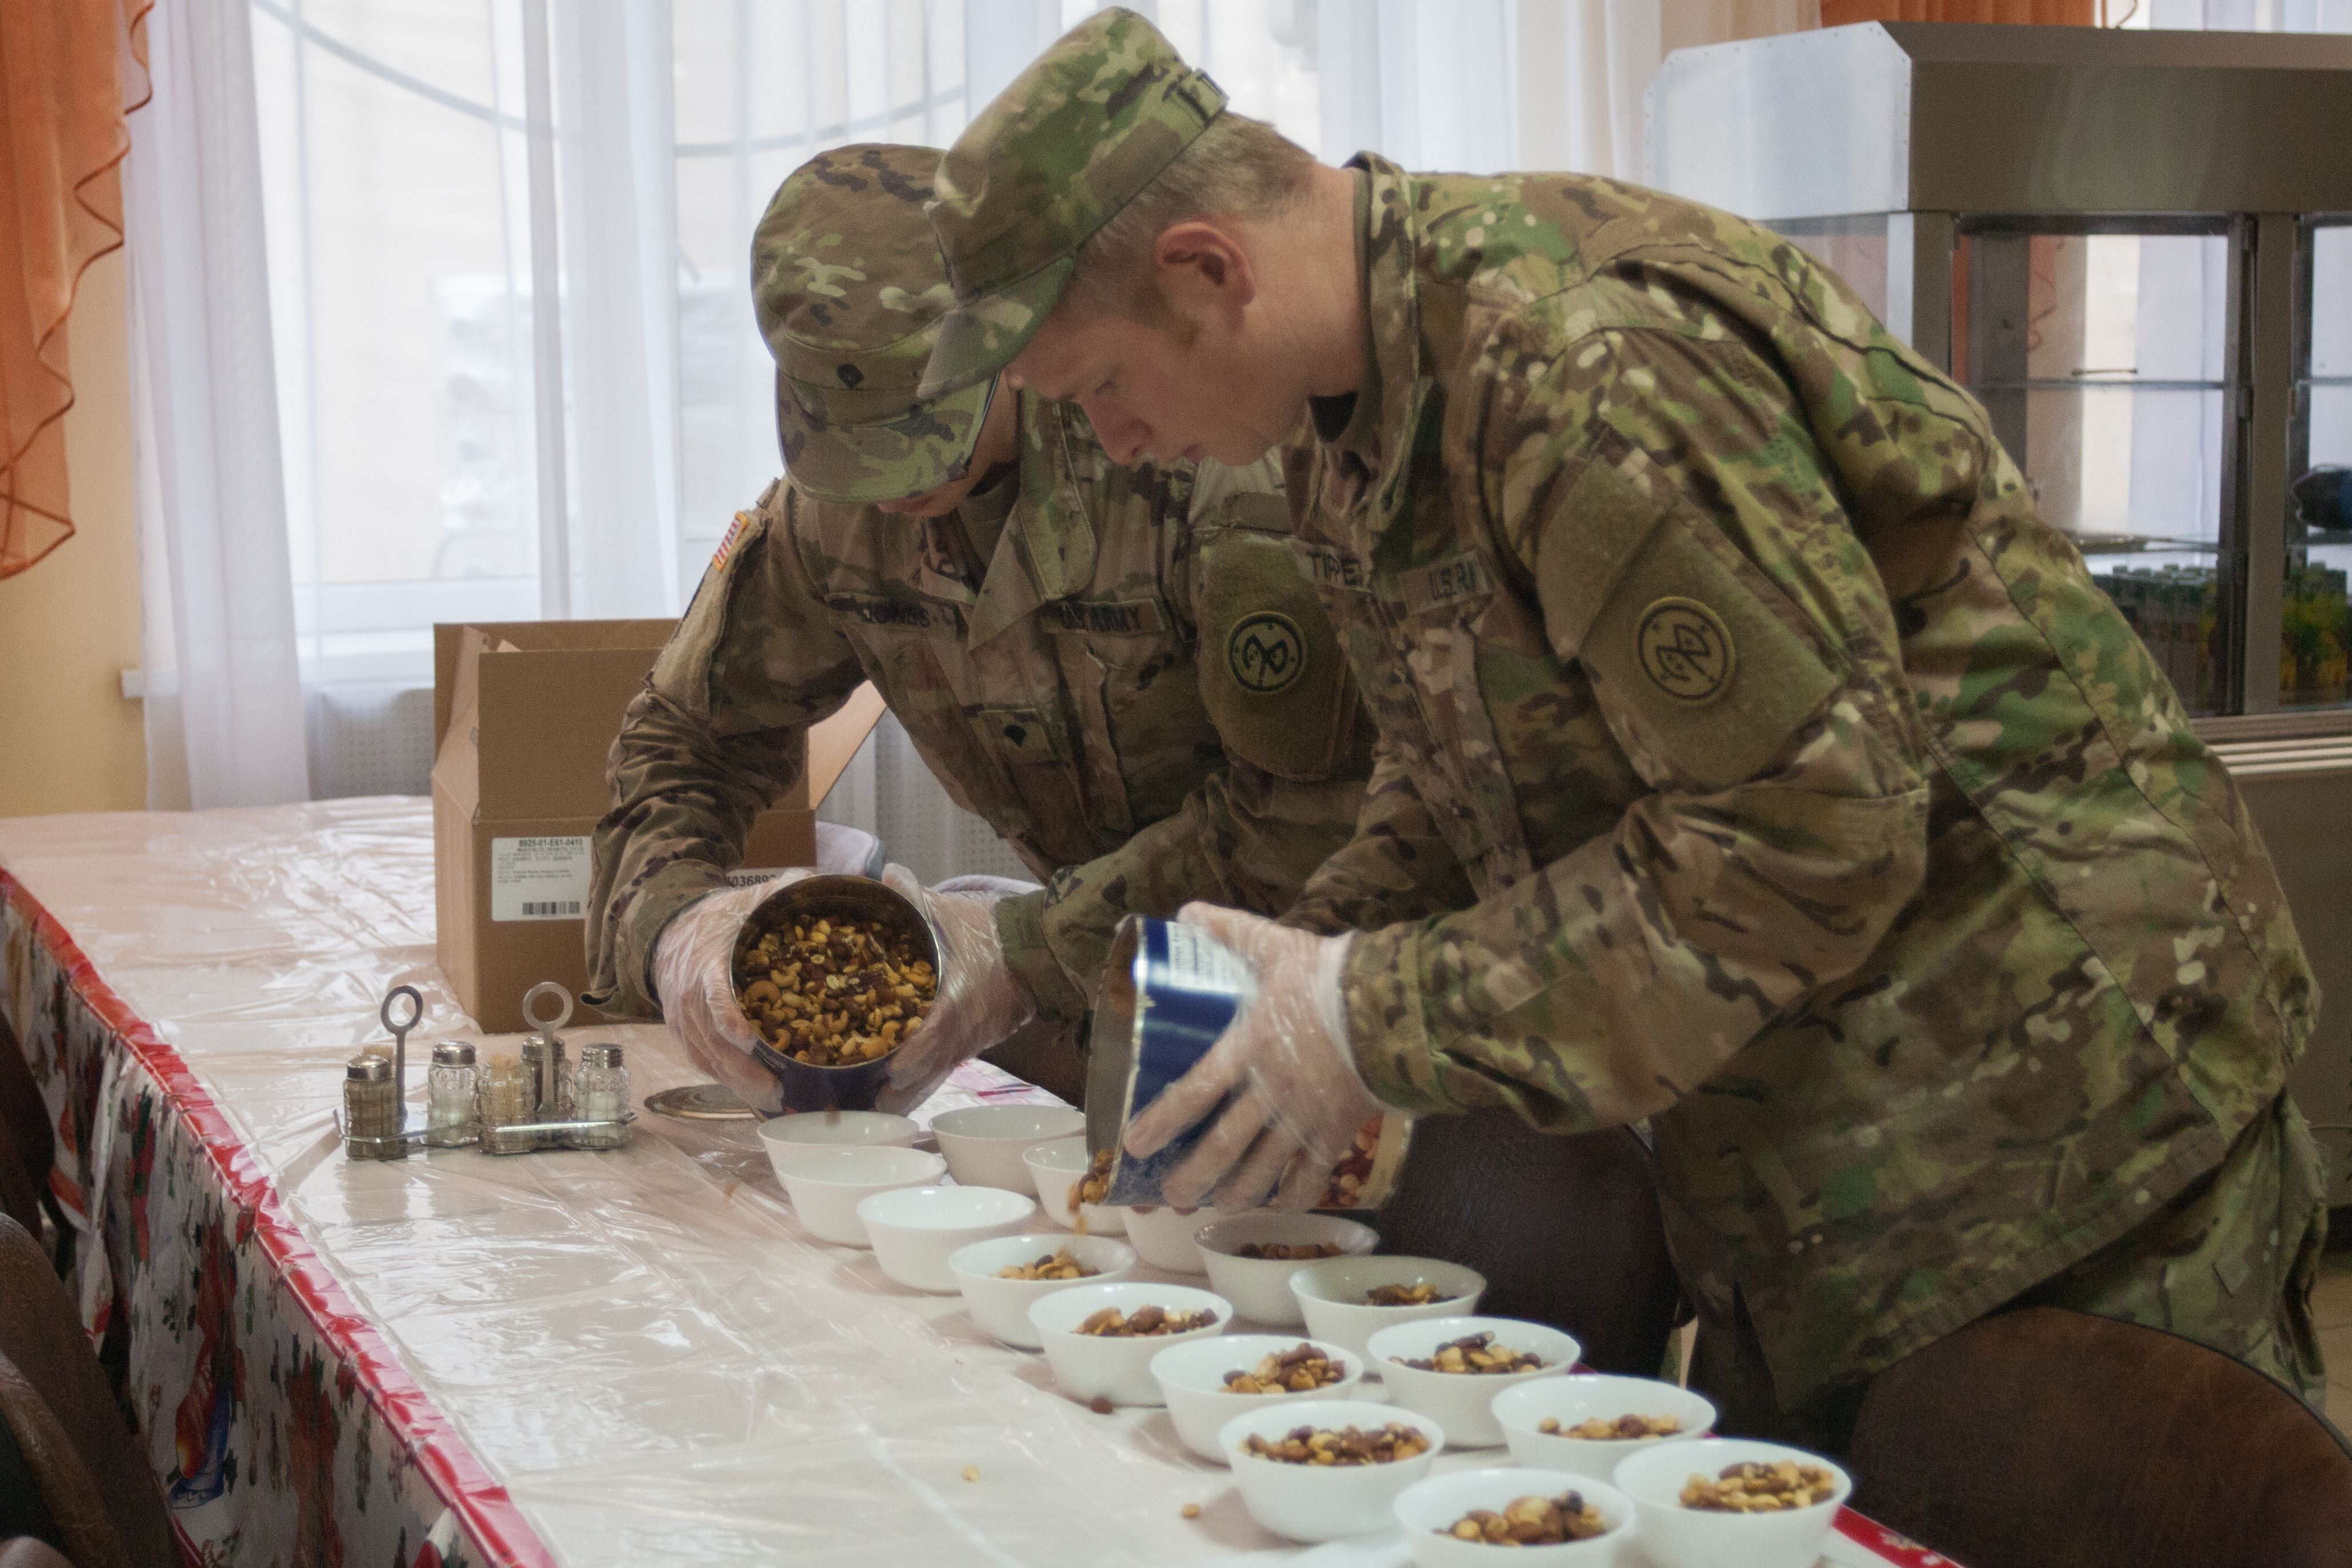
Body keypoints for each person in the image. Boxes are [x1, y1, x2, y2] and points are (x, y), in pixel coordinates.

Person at [915, 9, 2329, 1449]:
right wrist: (1295, 988)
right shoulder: (1348, 420)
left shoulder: (1585, 371)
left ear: (1206, 269)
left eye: (1098, 387)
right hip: (1815, 1135)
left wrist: (1361, 1016)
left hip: (2064, 1111)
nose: (1114, 442)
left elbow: (1808, 835)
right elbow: (1447, 760)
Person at [585, 143, 1376, 1115]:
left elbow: (1310, 813)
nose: (899, 490)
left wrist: (1022, 952)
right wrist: (675, 928)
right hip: (1114, 1020)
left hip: (1342, 1017)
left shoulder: (1192, 448)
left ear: (1004, 345)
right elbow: (682, 740)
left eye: (923, 431)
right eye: (859, 453)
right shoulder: (829, 514)